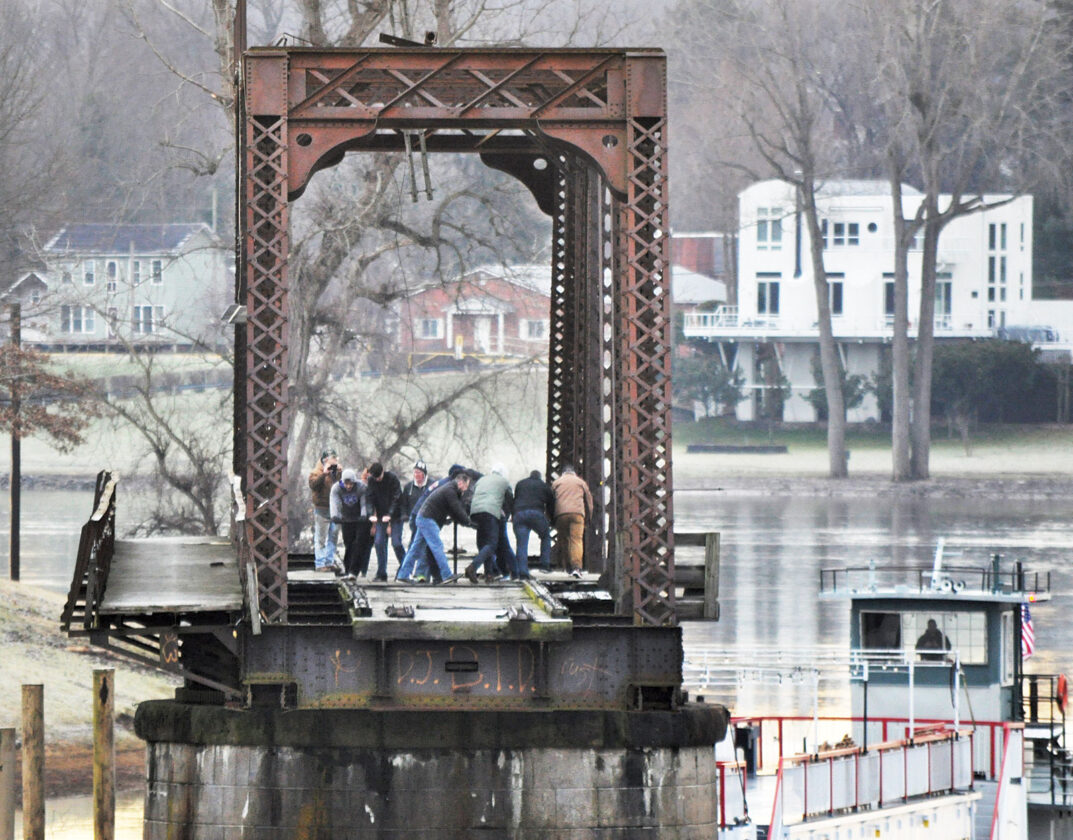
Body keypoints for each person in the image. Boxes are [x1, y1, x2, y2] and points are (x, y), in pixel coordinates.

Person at [397, 471, 471, 585]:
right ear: (461, 482)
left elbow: (453, 510)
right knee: (437, 546)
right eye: (466, 486)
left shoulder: (450, 489)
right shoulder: (450, 490)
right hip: (427, 519)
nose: (466, 489)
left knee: (415, 549)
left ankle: (402, 575)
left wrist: (463, 520)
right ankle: (446, 575)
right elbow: (456, 508)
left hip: (423, 517)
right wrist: (468, 521)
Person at [464, 464, 516, 583]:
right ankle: (473, 567)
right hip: (490, 512)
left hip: (475, 512)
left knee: (483, 544)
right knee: (492, 544)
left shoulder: (482, 480)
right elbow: (509, 499)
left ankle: (489, 574)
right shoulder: (504, 482)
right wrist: (508, 515)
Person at [552, 463, 593, 578]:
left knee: (564, 540)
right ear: (574, 473)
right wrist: (589, 517)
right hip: (577, 515)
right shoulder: (581, 482)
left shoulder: (556, 483)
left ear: (563, 473)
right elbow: (589, 501)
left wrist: (551, 518)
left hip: (561, 515)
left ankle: (568, 567)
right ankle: (577, 567)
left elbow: (551, 501)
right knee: (576, 540)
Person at [364, 461, 403, 582]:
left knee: (396, 543)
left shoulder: (392, 478)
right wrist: (371, 514)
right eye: (375, 478)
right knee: (379, 542)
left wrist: (390, 514)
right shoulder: (372, 481)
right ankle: (382, 572)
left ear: (383, 472)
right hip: (380, 516)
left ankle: (405, 568)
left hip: (395, 515)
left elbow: (397, 497)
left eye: (379, 477)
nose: (378, 480)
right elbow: (369, 498)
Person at [512, 469, 555, 576]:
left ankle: (522, 571)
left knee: (521, 543)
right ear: (539, 477)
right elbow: (551, 504)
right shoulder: (544, 486)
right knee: (545, 536)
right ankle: (544, 564)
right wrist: (552, 520)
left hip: (519, 514)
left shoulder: (520, 484)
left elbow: (515, 499)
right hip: (536, 514)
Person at [308, 447, 342, 571]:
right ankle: (320, 564)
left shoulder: (337, 472)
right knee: (321, 538)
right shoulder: (316, 472)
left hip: (335, 509)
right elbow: (313, 485)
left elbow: (343, 487)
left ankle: (329, 561)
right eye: (331, 459)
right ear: (324, 460)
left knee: (333, 536)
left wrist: (340, 473)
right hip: (322, 509)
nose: (333, 462)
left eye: (335, 459)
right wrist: (324, 473)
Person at [330, 469, 367, 576]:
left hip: (359, 519)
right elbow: (334, 502)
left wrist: (364, 514)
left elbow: (364, 503)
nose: (349, 486)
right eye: (346, 484)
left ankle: (354, 571)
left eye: (351, 484)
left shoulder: (361, 487)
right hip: (346, 519)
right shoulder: (336, 488)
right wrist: (335, 516)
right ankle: (348, 569)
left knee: (358, 544)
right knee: (348, 545)